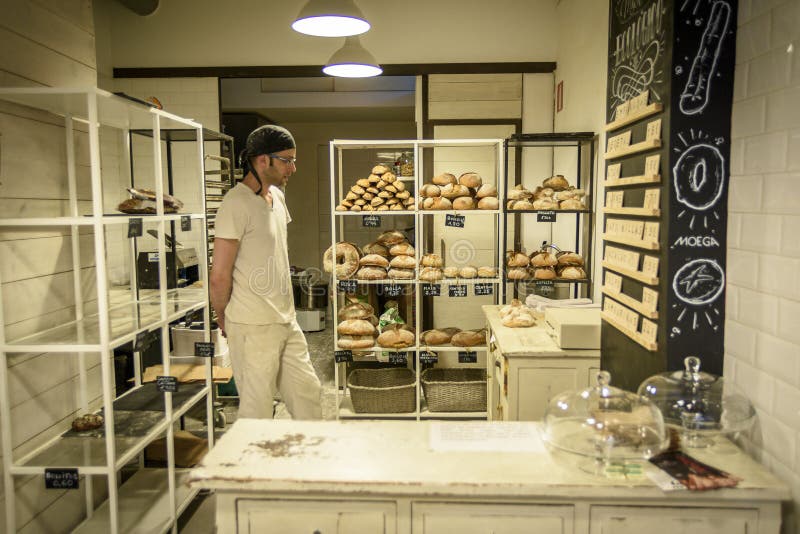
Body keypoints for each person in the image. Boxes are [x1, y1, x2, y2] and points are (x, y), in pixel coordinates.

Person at [210, 124, 322, 419]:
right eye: (287, 160)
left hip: (285, 319)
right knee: (257, 408)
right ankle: (253, 451)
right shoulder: (235, 204)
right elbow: (219, 274)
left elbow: (271, 251)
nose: (293, 168)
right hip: (252, 324)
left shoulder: (277, 197)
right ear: (262, 160)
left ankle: (312, 447)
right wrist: (223, 317)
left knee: (308, 393)